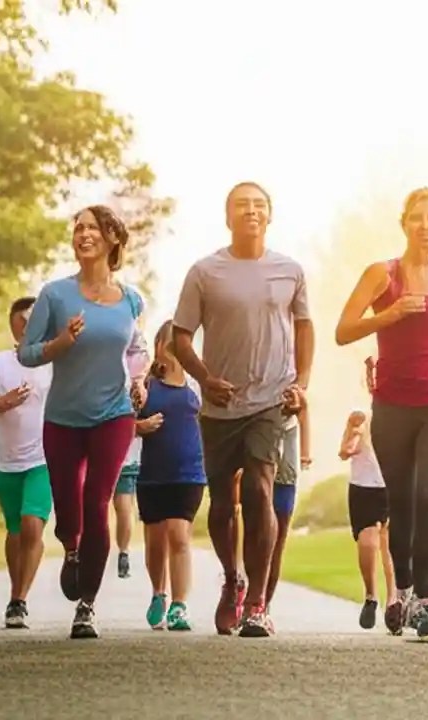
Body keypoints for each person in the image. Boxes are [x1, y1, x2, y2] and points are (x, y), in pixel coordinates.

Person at [173, 181, 314, 638]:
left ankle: (257, 600)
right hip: (220, 405)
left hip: (269, 400)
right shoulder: (204, 271)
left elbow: (305, 326)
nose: (250, 212)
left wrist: (301, 384)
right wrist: (203, 378)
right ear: (227, 216)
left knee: (259, 488)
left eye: (258, 205)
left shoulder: (289, 270)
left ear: (270, 215)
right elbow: (181, 336)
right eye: (241, 206)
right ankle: (231, 578)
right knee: (220, 506)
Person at [335, 187, 428, 642]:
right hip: (392, 408)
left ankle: (425, 603)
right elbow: (343, 330)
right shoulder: (382, 274)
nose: (427, 225)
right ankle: (407, 590)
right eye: (418, 217)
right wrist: (389, 314)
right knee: (405, 504)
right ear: (405, 224)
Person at [19, 204, 149, 640]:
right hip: (63, 417)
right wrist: (61, 342)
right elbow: (27, 352)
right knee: (69, 512)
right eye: (78, 228)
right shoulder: (55, 295)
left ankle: (87, 605)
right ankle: (71, 550)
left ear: (113, 238)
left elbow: (137, 350)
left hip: (114, 413)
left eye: (93, 227)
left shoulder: (131, 298)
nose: (83, 234)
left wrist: (140, 380)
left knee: (98, 502)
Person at [0, 296, 53, 629]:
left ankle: (19, 600)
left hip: (44, 460)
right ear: (14, 325)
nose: (29, 326)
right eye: (24, 320)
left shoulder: (56, 363)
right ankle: (15, 590)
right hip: (7, 462)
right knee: (16, 531)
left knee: (32, 524)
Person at [135, 320, 206, 631]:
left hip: (189, 472)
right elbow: (123, 423)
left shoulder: (197, 385)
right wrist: (140, 426)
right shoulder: (145, 386)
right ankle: (158, 593)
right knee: (155, 542)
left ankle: (179, 605)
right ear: (160, 346)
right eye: (172, 341)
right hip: (152, 474)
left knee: (179, 535)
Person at [340, 357, 394, 631]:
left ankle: (394, 601)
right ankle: (372, 596)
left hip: (390, 485)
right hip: (362, 488)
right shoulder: (359, 417)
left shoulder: (399, 416)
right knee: (368, 542)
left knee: (390, 545)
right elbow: (344, 451)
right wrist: (354, 435)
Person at [263, 399, 312, 626]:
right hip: (259, 450)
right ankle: (243, 592)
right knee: (258, 535)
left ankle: (262, 606)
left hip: (286, 470)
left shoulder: (293, 376)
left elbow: (303, 408)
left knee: (278, 539)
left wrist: (305, 453)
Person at [114, 327, 148, 579]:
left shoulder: (106, 369)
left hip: (118, 447)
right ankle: (123, 551)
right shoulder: (141, 377)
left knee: (104, 502)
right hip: (130, 451)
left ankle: (88, 551)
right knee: (124, 504)